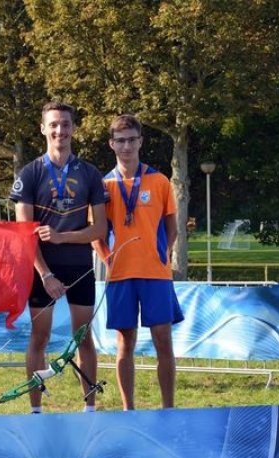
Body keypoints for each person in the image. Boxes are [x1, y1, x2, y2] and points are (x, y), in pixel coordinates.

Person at [10, 101, 108, 413]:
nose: (59, 130)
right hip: (42, 271)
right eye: (53, 124)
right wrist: (46, 275)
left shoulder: (90, 173)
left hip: (79, 266)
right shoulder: (30, 173)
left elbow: (100, 229)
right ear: (43, 128)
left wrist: (63, 236)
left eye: (65, 124)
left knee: (84, 339)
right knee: (39, 339)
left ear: (73, 129)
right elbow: (24, 233)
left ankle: (89, 409)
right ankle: (36, 410)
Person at [92, 114, 184, 411]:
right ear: (112, 144)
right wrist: (109, 260)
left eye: (132, 139)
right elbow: (97, 233)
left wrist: (164, 253)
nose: (127, 146)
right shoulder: (104, 186)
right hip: (120, 276)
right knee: (124, 343)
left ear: (141, 141)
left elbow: (172, 225)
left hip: (155, 273)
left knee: (163, 341)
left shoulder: (159, 181)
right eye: (121, 141)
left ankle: (168, 407)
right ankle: (128, 409)